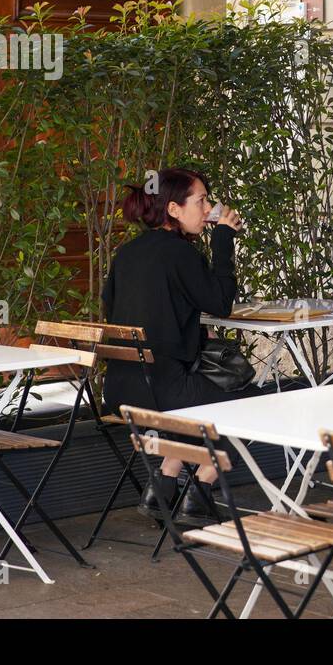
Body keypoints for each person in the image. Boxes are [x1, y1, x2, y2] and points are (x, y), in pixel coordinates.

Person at [101, 167, 243, 519]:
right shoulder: (180, 253)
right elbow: (220, 303)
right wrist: (223, 238)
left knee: (194, 401)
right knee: (249, 404)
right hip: (162, 392)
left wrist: (192, 331)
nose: (208, 208)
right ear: (174, 210)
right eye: (201, 200)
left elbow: (121, 311)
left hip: (120, 390)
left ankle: (162, 488)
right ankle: (202, 489)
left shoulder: (127, 253)